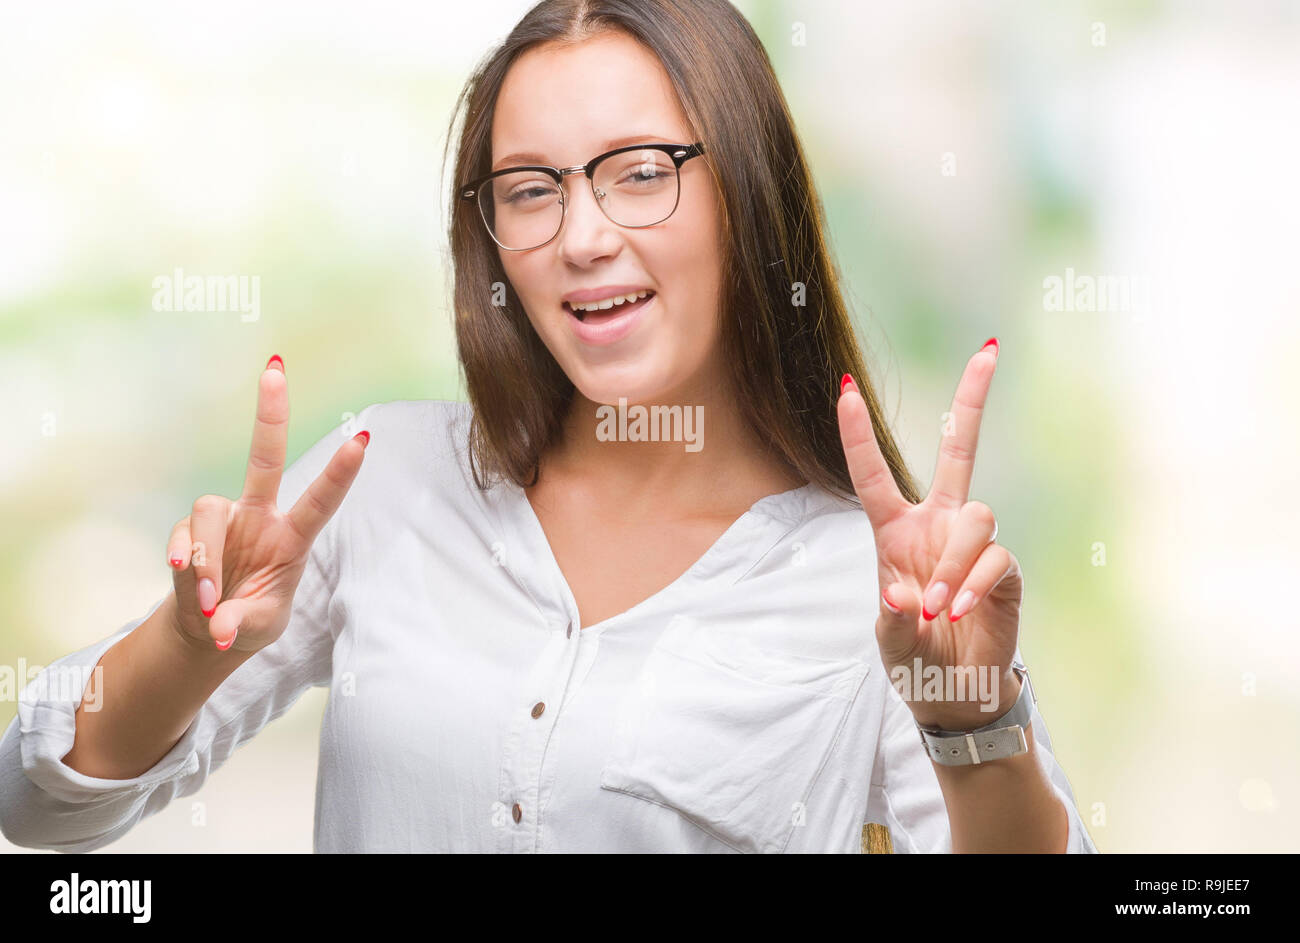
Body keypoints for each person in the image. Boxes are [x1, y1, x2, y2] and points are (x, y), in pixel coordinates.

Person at [0, 0, 1097, 853]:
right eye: (529, 189)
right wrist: (188, 647)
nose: (581, 236)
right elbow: (36, 803)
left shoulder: (877, 583)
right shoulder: (382, 482)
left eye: (638, 173)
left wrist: (968, 713)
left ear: (746, 192)